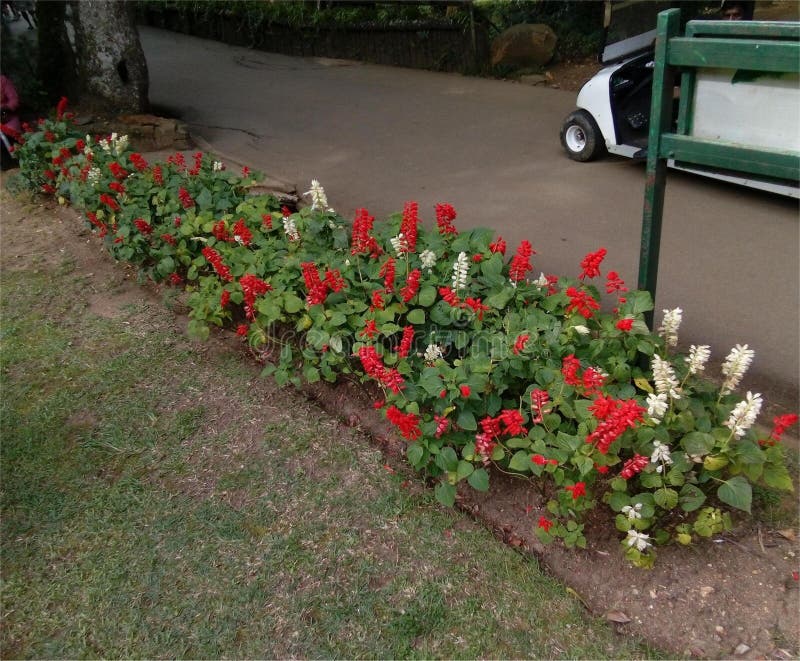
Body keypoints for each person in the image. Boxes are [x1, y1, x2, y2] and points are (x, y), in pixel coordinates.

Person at [1, 74, 21, 169]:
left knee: (12, 135)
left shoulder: (2, 80)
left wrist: (6, 109)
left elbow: (14, 100)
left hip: (7, 117)